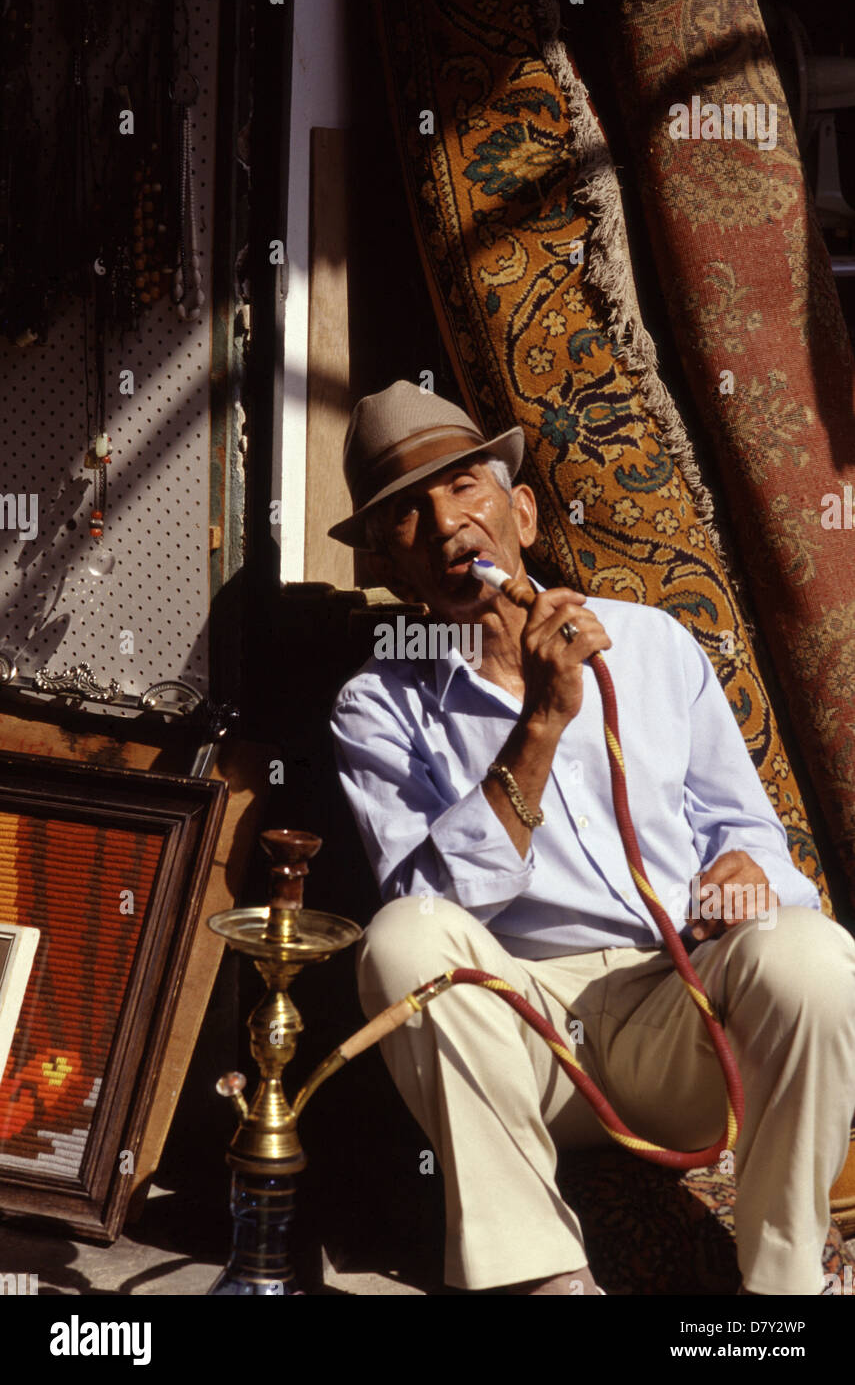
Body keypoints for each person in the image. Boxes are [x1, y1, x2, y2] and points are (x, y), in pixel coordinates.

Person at [327, 380, 855, 1296]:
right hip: (516, 1038)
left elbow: (752, 832)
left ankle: (783, 1294)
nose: (447, 523)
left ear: (521, 513)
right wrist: (537, 724)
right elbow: (421, 913)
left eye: (463, 488)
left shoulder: (650, 645)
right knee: (402, 939)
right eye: (407, 516)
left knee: (812, 953)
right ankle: (543, 1280)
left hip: (673, 1009)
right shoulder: (377, 705)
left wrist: (745, 877)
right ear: (389, 569)